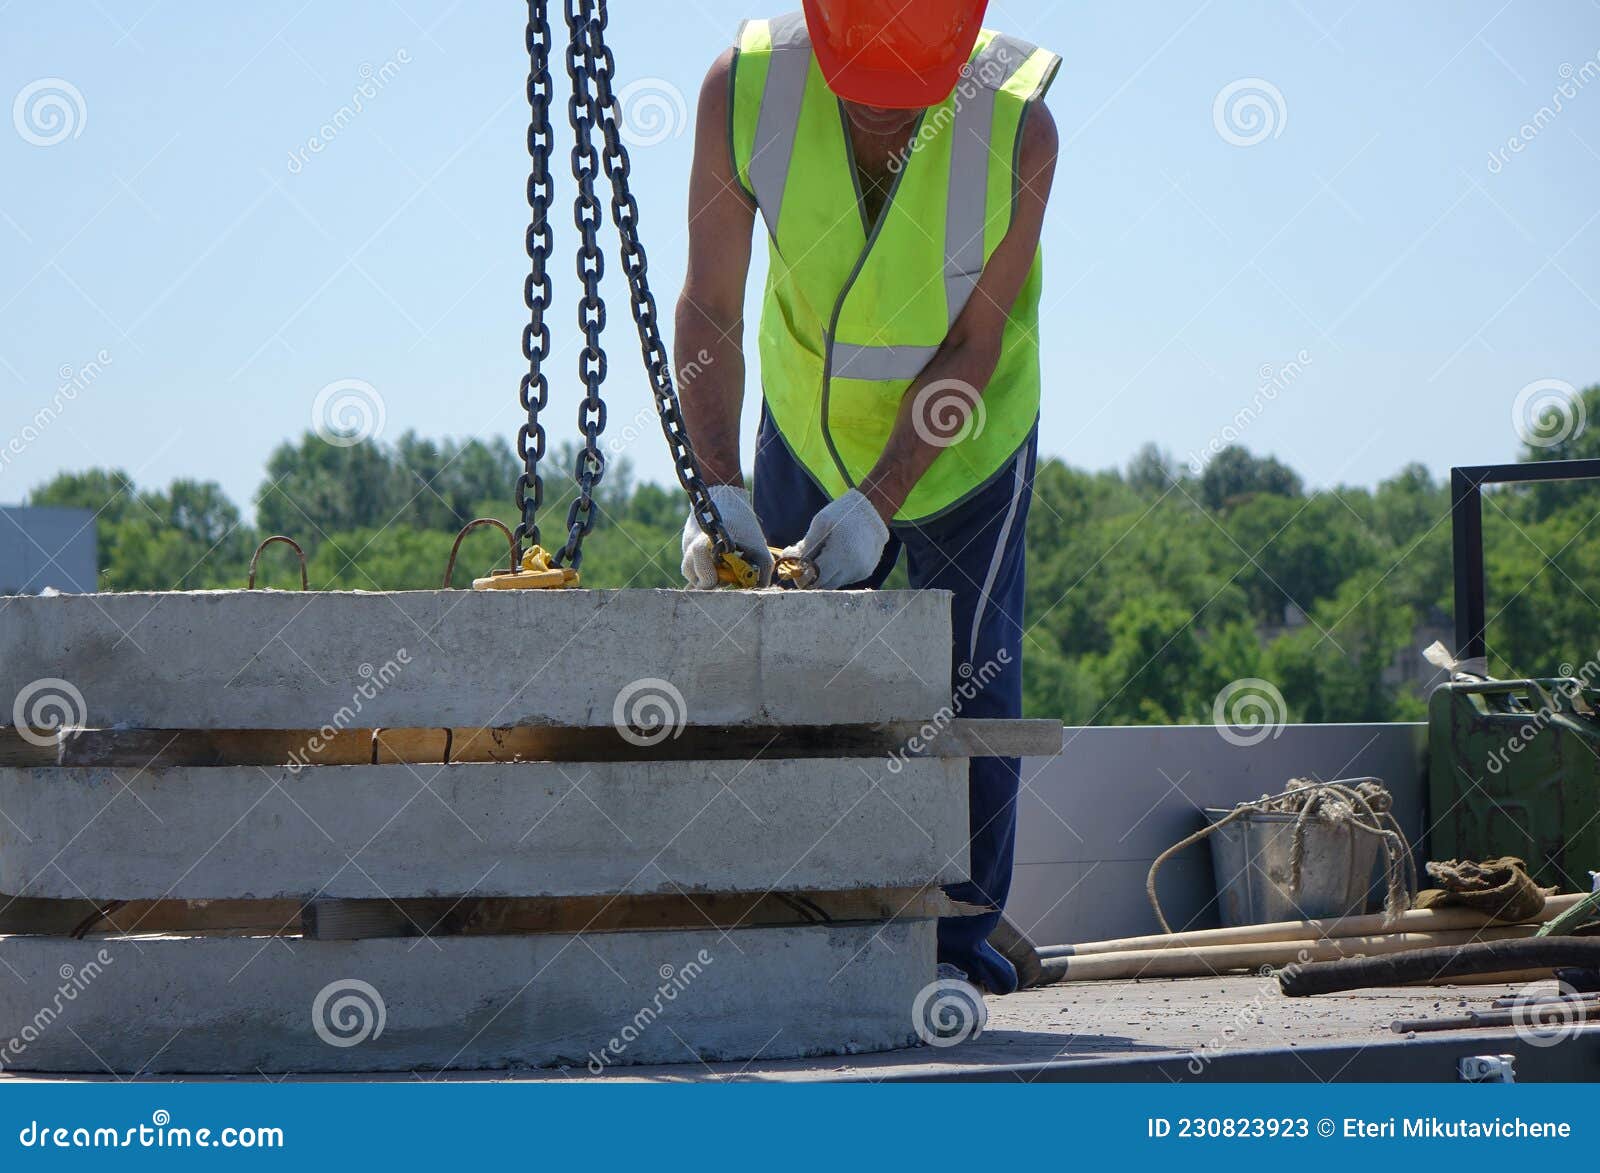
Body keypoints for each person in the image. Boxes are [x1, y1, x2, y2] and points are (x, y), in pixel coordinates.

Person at [675, 0, 1060, 994]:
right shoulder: (744, 87)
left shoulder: (1018, 124)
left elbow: (973, 342)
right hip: (807, 421)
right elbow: (710, 304)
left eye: (908, 93)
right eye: (863, 91)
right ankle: (789, 928)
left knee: (970, 678)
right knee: (780, 674)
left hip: (965, 440)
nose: (884, 113)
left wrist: (880, 500)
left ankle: (953, 951)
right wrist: (716, 488)